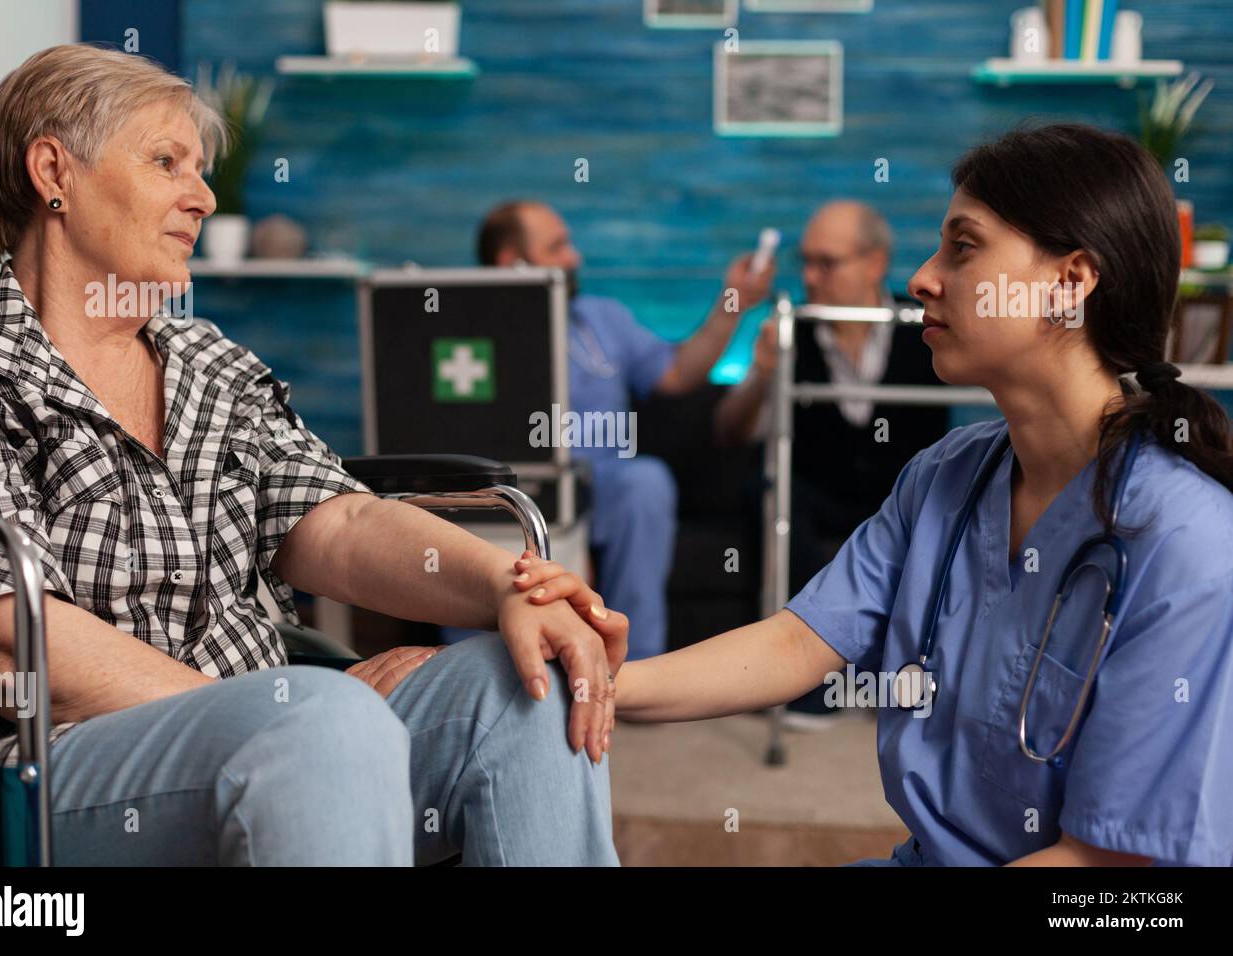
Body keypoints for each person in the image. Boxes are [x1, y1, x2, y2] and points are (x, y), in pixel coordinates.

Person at [0, 44, 626, 866]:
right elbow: (1, 641)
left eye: (200, 170)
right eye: (167, 163)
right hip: (49, 769)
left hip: (290, 729)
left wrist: (510, 588)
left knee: (523, 689)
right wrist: (276, 709)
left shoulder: (209, 362)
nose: (202, 197)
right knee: (323, 724)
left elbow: (341, 523)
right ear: (55, 171)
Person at [512, 123, 1233, 866]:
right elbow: (798, 642)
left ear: (1070, 283)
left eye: (963, 247)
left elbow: (1106, 872)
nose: (922, 278)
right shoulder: (948, 474)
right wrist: (593, 679)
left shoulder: (1188, 543)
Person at [475, 200, 773, 659]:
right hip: (517, 489)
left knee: (646, 480)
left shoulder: (600, 318)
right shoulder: (470, 332)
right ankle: (480, 664)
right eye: (557, 247)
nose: (574, 257)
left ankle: (635, 663)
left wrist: (732, 302)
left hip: (602, 486)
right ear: (512, 261)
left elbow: (676, 374)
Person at [715, 201, 949, 729]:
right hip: (817, 495)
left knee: (945, 496)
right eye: (806, 262)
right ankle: (807, 681)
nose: (810, 277)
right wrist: (761, 373)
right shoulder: (788, 332)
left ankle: (913, 669)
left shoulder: (926, 326)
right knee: (769, 491)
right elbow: (729, 433)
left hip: (903, 496)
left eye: (827, 263)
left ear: (875, 262)